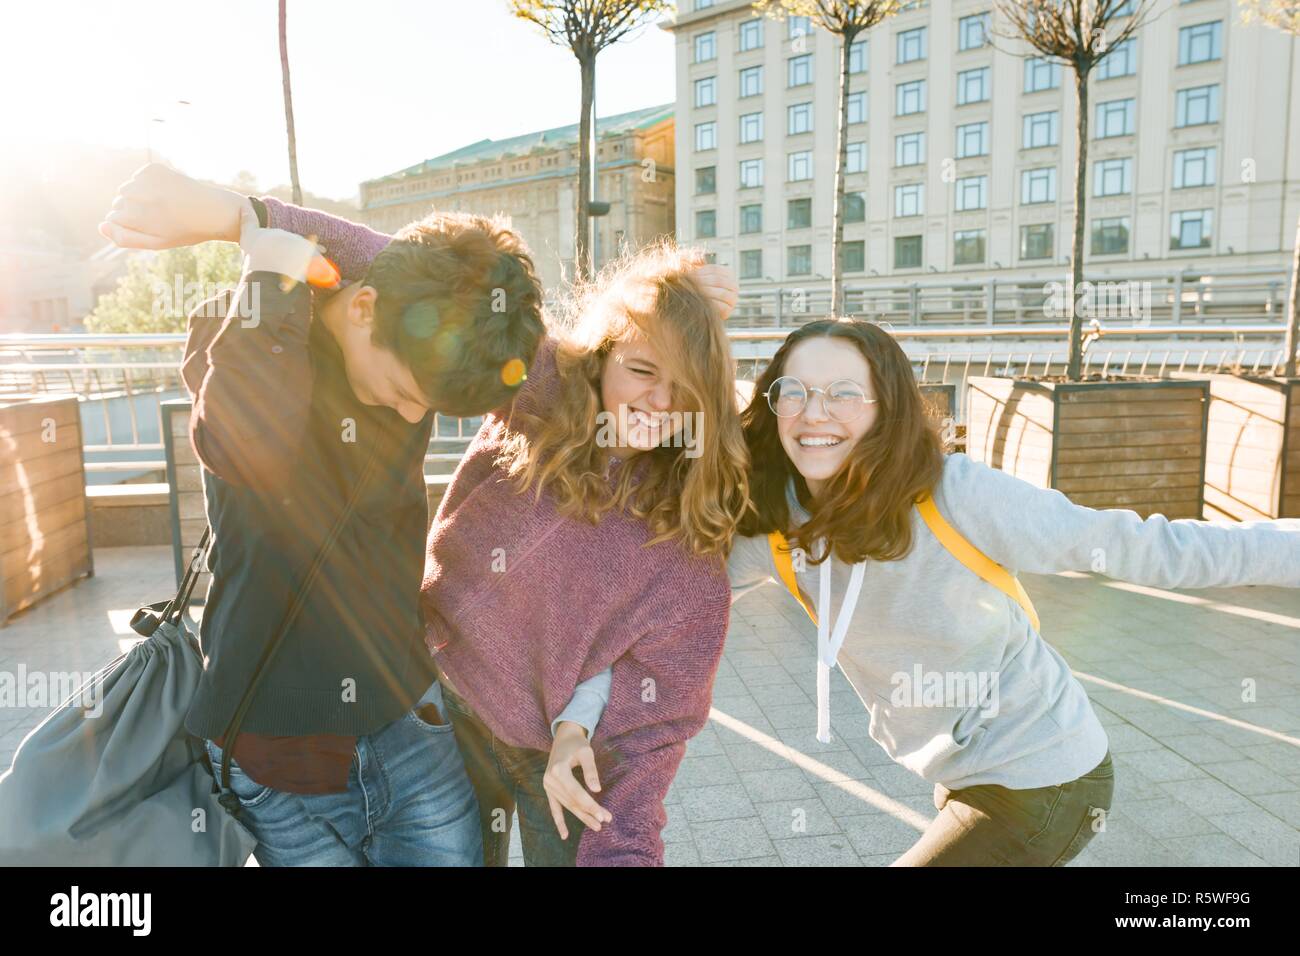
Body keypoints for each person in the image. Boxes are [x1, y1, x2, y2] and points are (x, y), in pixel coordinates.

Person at [266, 205, 749, 865]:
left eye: (684, 388)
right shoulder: (545, 391)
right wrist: (246, 213)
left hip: (551, 751)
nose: (660, 402)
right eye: (642, 370)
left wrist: (623, 845)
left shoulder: (690, 554)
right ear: (605, 355)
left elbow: (651, 741)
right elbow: (423, 273)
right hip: (433, 698)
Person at [724, 317, 1300, 865]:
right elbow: (673, 594)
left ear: (887, 410)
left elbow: (1146, 545)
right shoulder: (781, 525)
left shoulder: (957, 495)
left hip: (1044, 777)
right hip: (961, 775)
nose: (812, 413)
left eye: (843, 392)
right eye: (793, 391)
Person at [100, 164, 550, 866]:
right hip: (277, 749)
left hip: (407, 717)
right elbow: (246, 450)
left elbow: (412, 261)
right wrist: (270, 274)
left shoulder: (422, 335)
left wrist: (241, 211)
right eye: (405, 391)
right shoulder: (241, 325)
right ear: (363, 307)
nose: (411, 415)